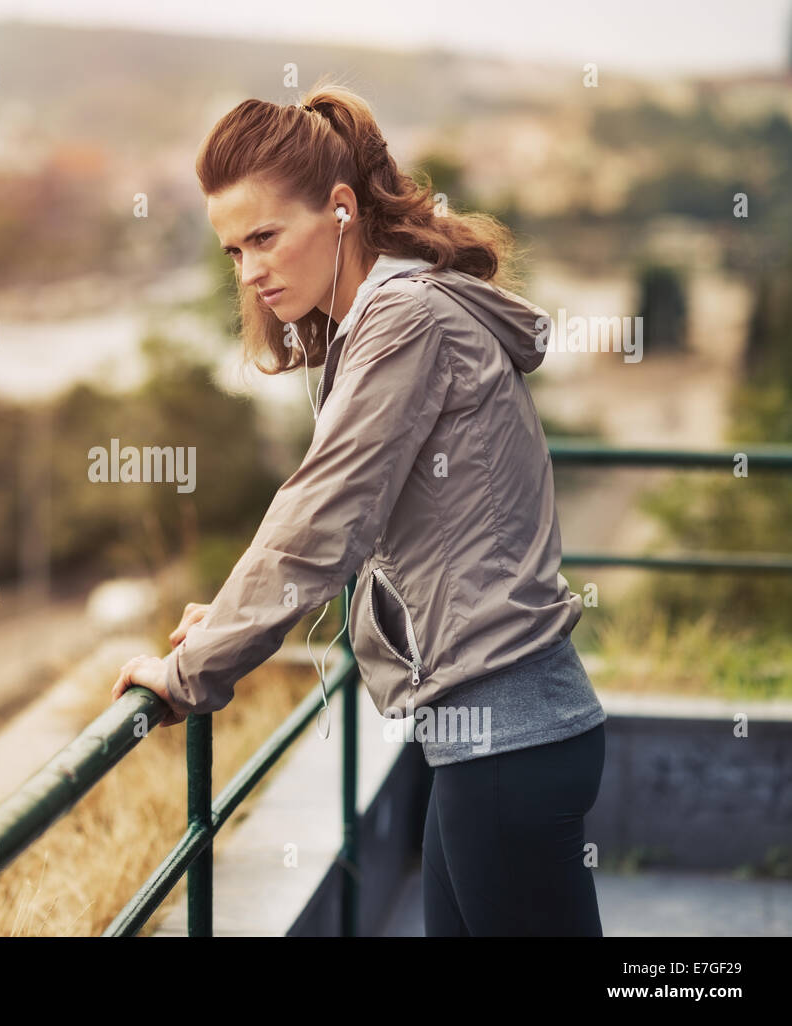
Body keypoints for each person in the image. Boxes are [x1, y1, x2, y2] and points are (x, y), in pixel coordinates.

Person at [109, 80, 607, 937]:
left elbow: (320, 518)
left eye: (266, 236)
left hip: (510, 744)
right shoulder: (388, 320)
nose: (252, 270)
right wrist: (225, 618)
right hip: (483, 744)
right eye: (234, 251)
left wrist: (195, 672)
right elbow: (381, 539)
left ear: (340, 211)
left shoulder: (404, 322)